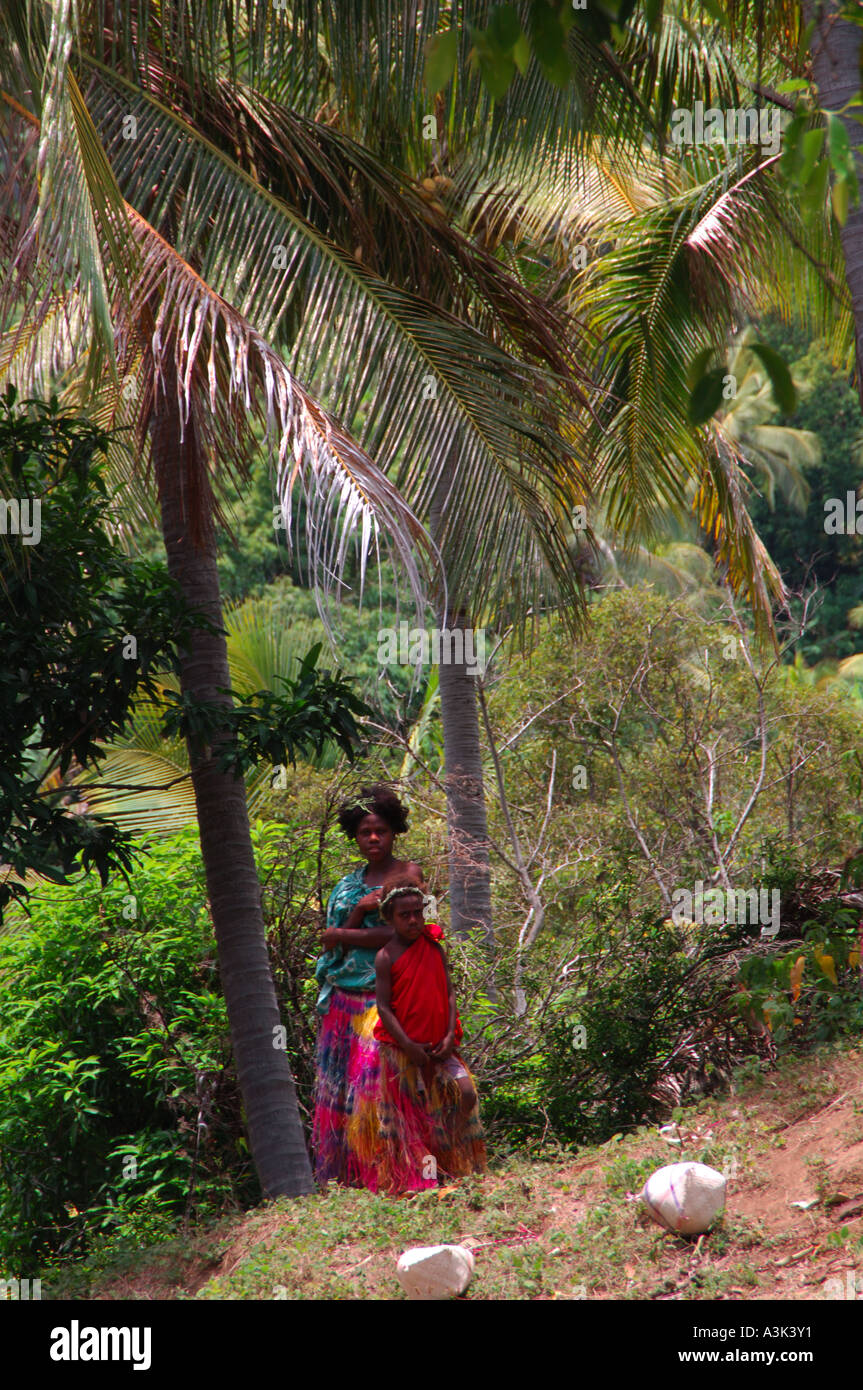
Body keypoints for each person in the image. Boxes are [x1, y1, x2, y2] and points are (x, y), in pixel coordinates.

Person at [312, 785, 421, 1188]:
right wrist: (355, 914)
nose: (373, 839)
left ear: (395, 832)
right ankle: (350, 1180)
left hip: (383, 998)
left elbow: (400, 934)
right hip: (342, 997)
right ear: (354, 837)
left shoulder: (407, 875)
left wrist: (341, 930)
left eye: (381, 831)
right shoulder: (346, 884)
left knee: (376, 1088)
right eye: (364, 832)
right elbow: (340, 937)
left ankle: (395, 1175)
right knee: (340, 1091)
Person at [370, 873, 487, 1194]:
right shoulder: (386, 957)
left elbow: (449, 993)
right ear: (390, 918)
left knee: (465, 1094)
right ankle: (421, 1181)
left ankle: (451, 1152)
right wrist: (408, 1045)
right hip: (403, 1050)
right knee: (414, 1116)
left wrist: (450, 1034)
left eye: (417, 913)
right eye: (404, 915)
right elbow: (384, 1008)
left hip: (441, 1046)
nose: (412, 920)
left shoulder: (434, 948)